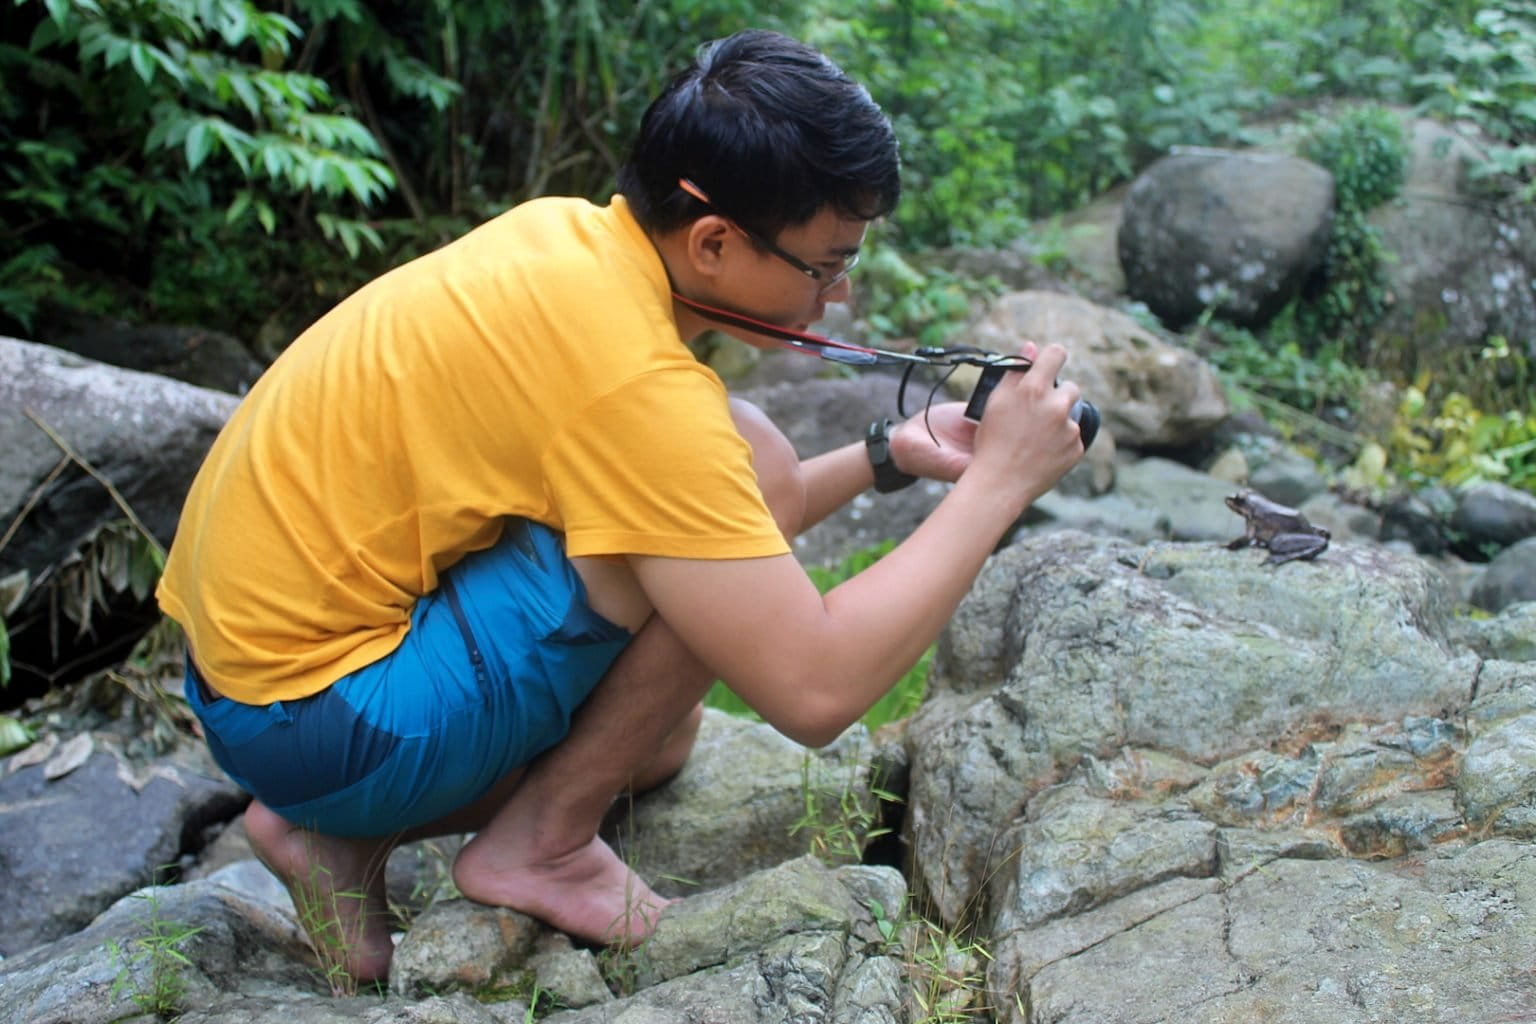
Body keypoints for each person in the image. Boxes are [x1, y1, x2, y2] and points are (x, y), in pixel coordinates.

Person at [156, 28, 1086, 986]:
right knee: (725, 475)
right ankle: (541, 843)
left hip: (242, 680)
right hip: (321, 713)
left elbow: (728, 507)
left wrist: (885, 455)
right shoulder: (637, 392)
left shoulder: (565, 237)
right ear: (714, 241)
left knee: (659, 736)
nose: (840, 297)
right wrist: (999, 486)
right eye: (823, 265)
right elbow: (815, 691)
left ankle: (332, 841)